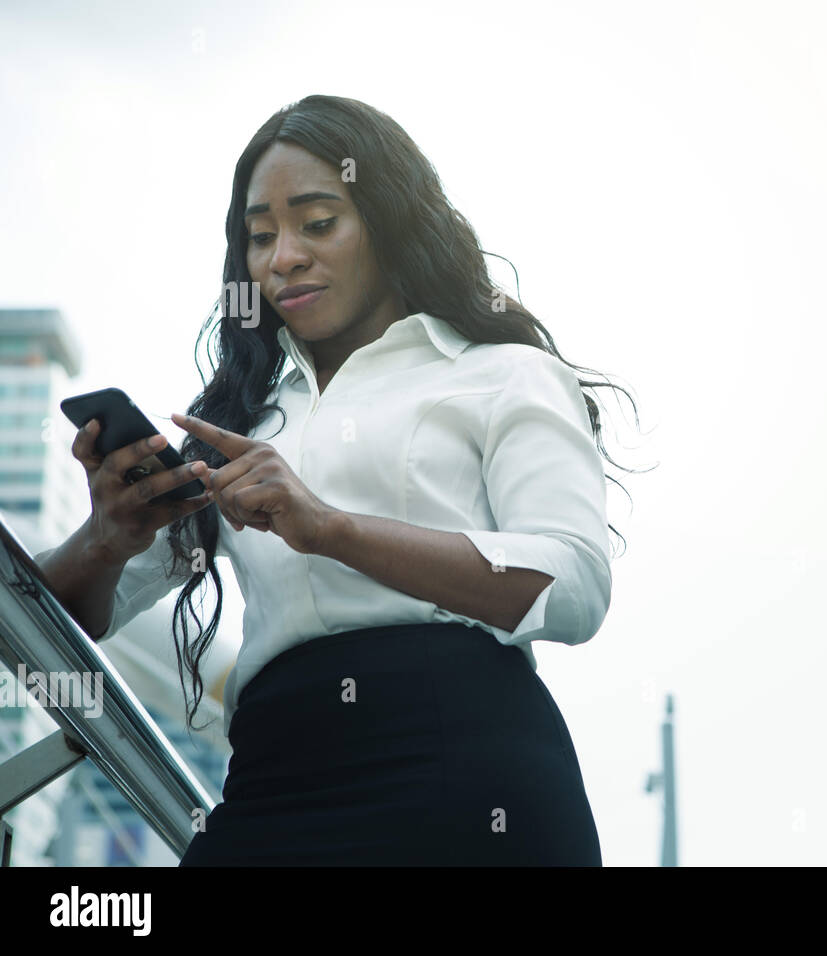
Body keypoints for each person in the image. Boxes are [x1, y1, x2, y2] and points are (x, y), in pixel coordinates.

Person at [34, 94, 640, 866]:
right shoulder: (239, 424)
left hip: (467, 778)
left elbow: (576, 585)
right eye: (260, 236)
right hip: (274, 782)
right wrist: (106, 539)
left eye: (317, 224)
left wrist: (334, 530)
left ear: (389, 224)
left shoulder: (504, 376)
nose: (283, 256)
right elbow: (57, 623)